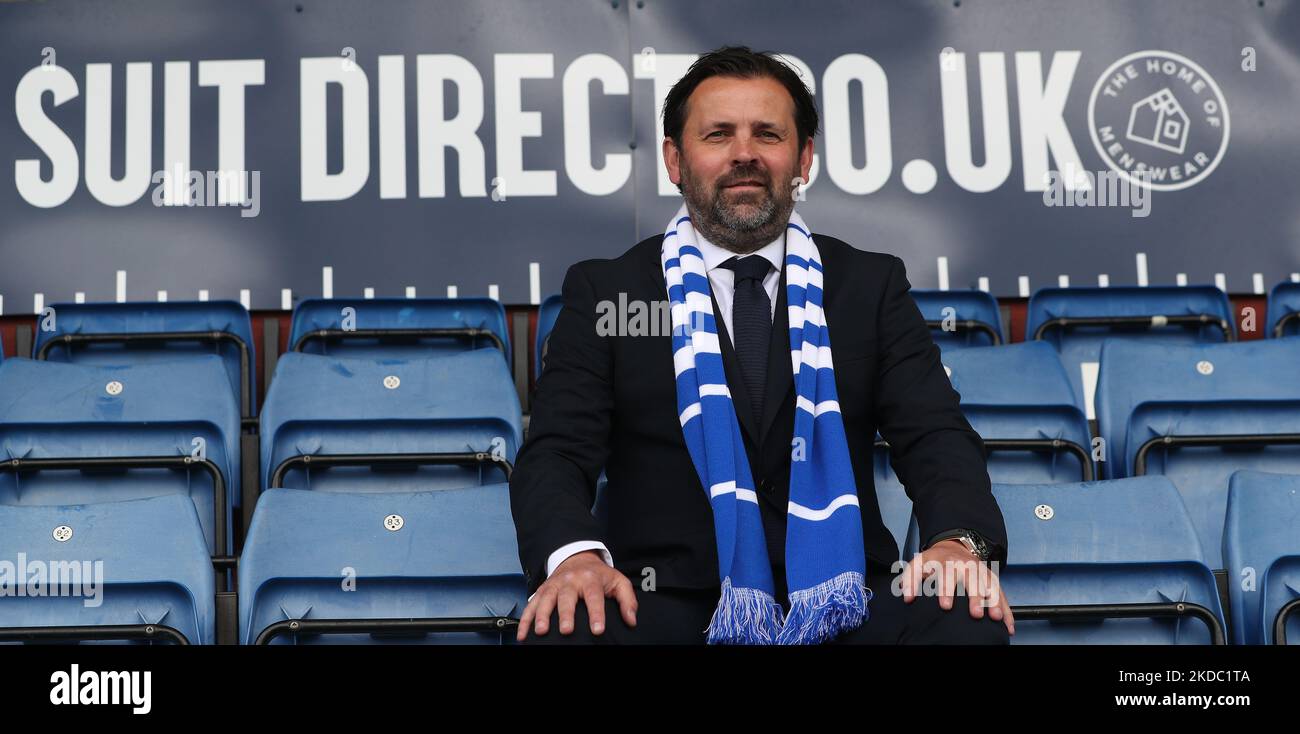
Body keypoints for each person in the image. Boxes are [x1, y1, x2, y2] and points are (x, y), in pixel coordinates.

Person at [509, 46, 1013, 644]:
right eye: (718, 134)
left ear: (802, 157)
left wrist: (958, 542)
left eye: (767, 134)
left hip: (841, 601)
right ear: (674, 159)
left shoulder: (867, 285)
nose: (744, 153)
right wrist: (575, 560)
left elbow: (935, 435)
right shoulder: (608, 292)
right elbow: (557, 453)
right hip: (671, 602)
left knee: (964, 617)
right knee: (565, 627)